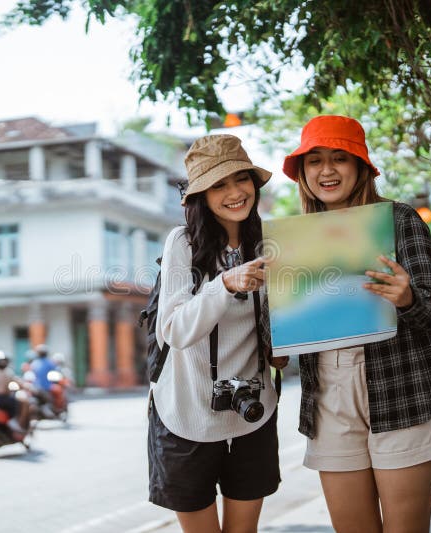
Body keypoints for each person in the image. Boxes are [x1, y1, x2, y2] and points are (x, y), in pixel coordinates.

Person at [283, 115, 431, 532]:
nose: (326, 170)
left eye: (339, 158)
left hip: (402, 387)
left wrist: (408, 296)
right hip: (329, 395)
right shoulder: (292, 241)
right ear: (303, 173)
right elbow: (291, 331)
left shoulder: (400, 220)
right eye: (315, 161)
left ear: (361, 166)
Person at [151, 134, 288, 533]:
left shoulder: (271, 242)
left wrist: (282, 348)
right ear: (201, 197)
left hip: (252, 411)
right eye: (219, 184)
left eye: (241, 179)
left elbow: (282, 323)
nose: (235, 192)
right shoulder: (183, 242)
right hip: (187, 415)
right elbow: (174, 329)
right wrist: (224, 284)